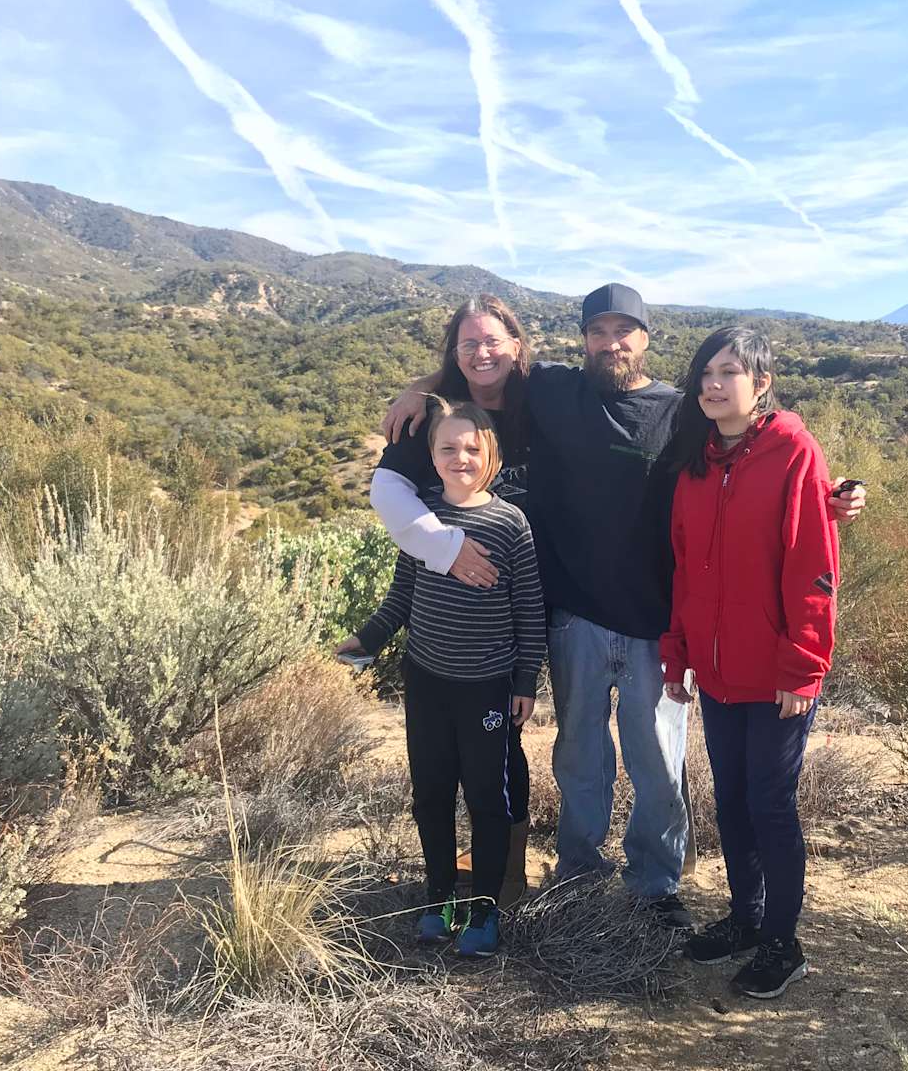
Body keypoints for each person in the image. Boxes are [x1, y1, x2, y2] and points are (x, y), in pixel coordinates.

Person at [381, 285, 866, 930]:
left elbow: (751, 438)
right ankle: (578, 873)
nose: (612, 343)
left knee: (658, 761)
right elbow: (481, 364)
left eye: (625, 331)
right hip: (574, 612)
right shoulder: (553, 392)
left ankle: (655, 883)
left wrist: (820, 494)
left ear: (645, 339)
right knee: (580, 756)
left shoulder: (679, 411)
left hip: (657, 620)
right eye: (598, 331)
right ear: (582, 340)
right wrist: (420, 388)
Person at [660, 326, 837, 999]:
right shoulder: (697, 462)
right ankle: (746, 917)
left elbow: (813, 564)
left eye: (728, 372)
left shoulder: (794, 451)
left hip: (778, 672)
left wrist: (803, 664)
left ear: (761, 383)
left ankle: (783, 942)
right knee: (730, 801)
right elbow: (684, 571)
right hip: (719, 670)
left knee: (769, 803)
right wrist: (676, 659)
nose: (713, 383)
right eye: (706, 372)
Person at [338, 400, 544, 957]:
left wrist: (526, 679)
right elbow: (402, 592)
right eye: (448, 448)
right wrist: (370, 638)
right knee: (430, 794)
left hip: (488, 686)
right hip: (426, 680)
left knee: (486, 798)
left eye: (473, 448)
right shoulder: (423, 519)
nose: (461, 457)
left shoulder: (509, 523)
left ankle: (483, 908)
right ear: (431, 456)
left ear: (491, 456)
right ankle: (438, 899)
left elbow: (529, 608)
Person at [368, 295, 534, 905]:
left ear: (518, 345)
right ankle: (472, 883)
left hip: (541, 599)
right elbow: (385, 488)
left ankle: (505, 875)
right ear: (452, 355)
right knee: (454, 769)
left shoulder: (543, 397)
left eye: (494, 341)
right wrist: (443, 547)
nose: (483, 353)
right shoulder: (432, 421)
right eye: (468, 345)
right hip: (456, 633)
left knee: (508, 760)